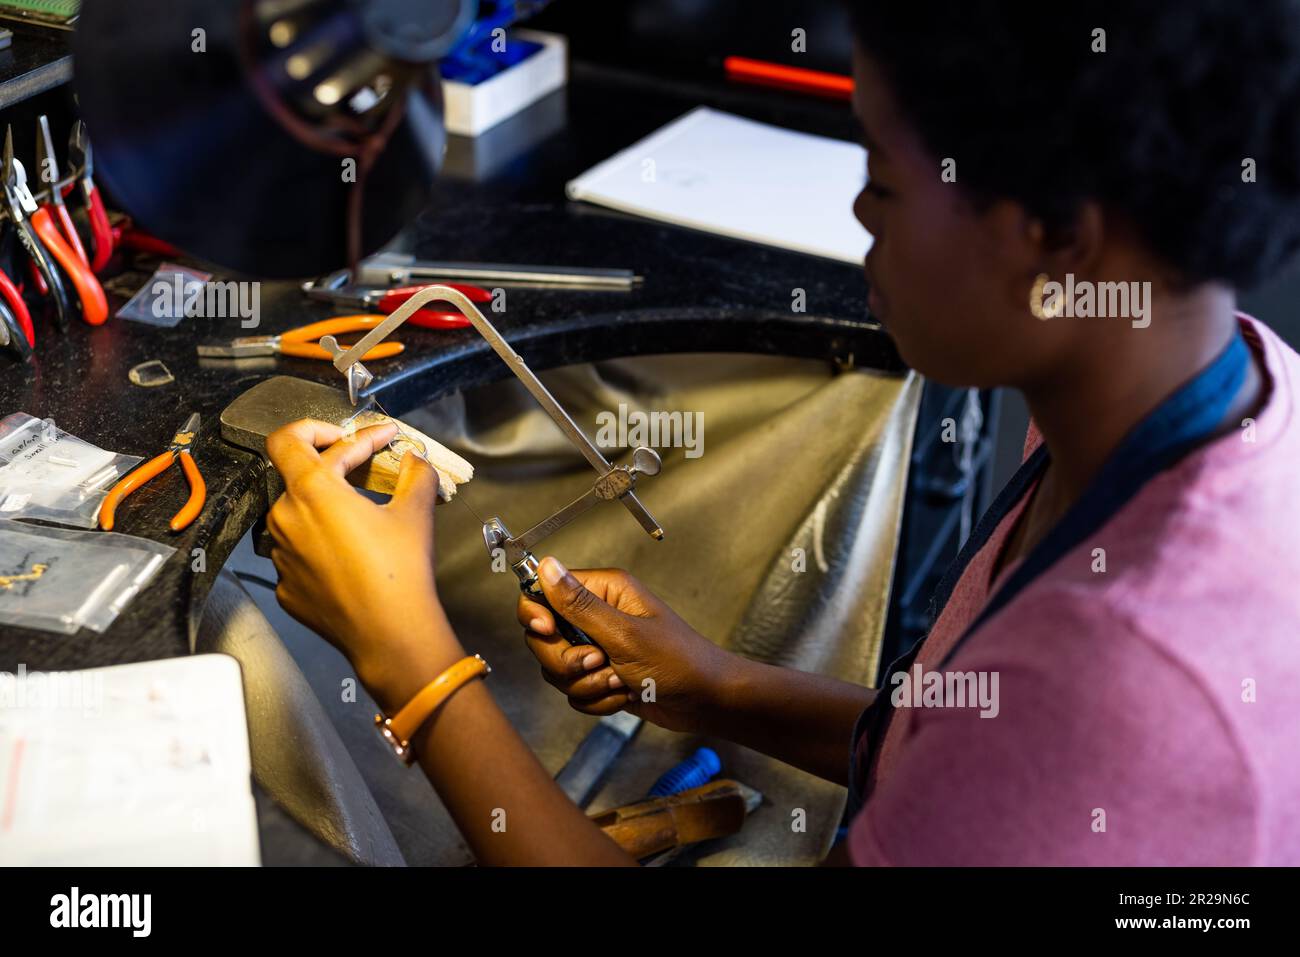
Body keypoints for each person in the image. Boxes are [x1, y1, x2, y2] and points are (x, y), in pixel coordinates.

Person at [263, 1, 1300, 865]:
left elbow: (1023, 750)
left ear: (1057, 234)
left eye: (885, 183)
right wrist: (715, 686)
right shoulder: (1211, 393)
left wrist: (409, 657)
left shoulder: (1120, 694)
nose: (856, 213)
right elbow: (959, 751)